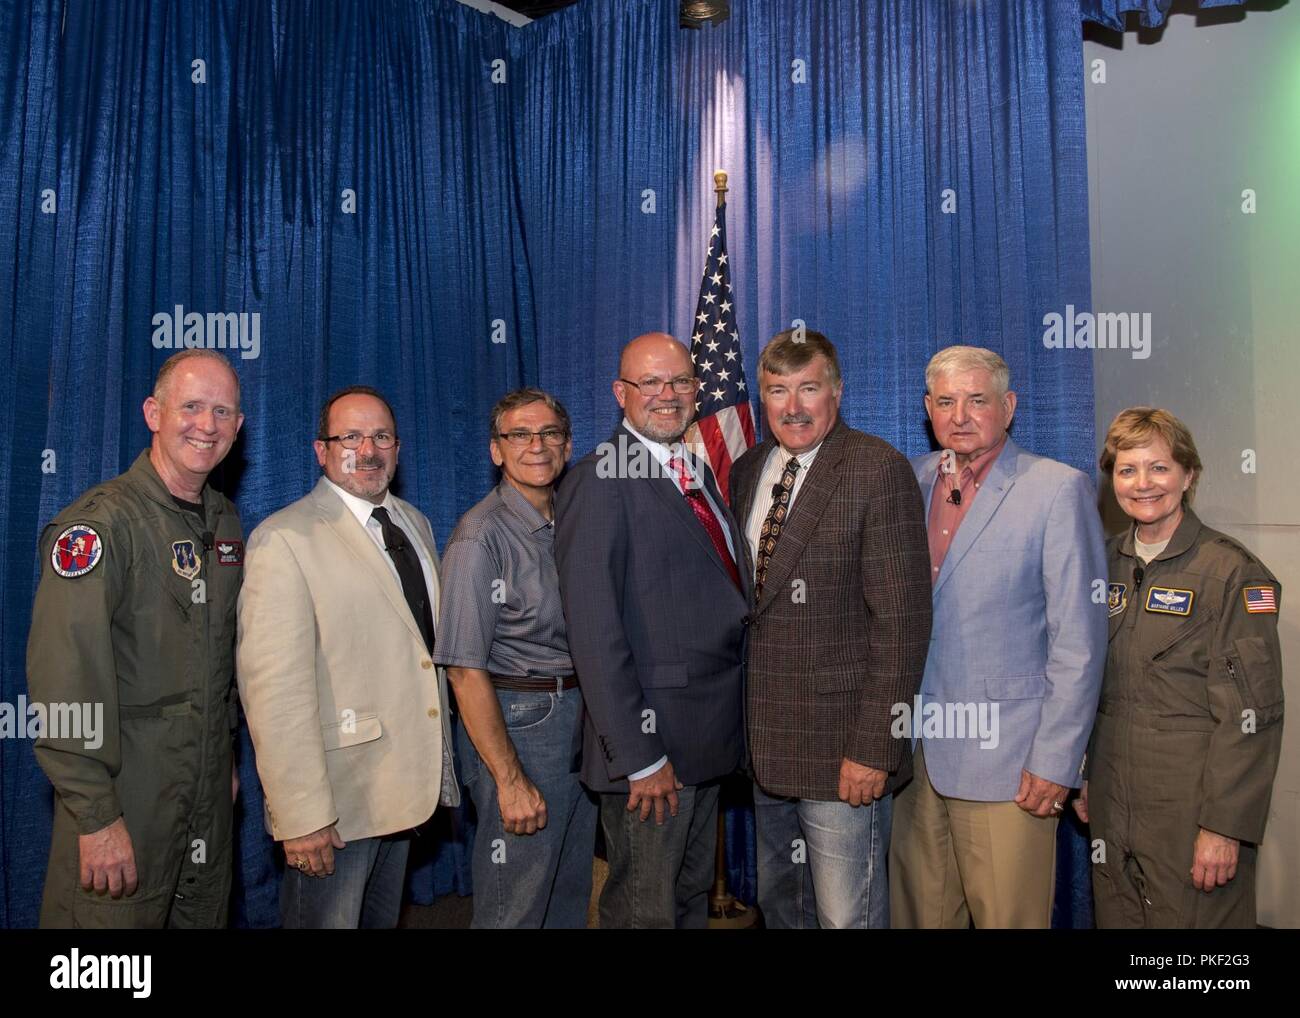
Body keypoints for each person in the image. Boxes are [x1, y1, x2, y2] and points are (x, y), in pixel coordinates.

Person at [890, 345, 1107, 929]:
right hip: (913, 760)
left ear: (1008, 407)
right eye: (945, 401)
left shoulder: (1057, 489)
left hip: (1010, 766)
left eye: (977, 400)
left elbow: (1079, 643)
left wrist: (1058, 760)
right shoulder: (903, 482)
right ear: (928, 410)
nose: (959, 415)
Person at [29, 349, 245, 928]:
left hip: (204, 800)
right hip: (127, 797)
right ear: (154, 412)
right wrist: (96, 817)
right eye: (192, 406)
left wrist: (221, 754)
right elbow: (64, 680)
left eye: (223, 412)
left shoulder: (224, 522)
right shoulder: (99, 526)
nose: (208, 425)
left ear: (239, 427)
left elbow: (220, 657)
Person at [729, 329, 931, 928]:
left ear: (836, 393)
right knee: (783, 908)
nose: (792, 407)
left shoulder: (877, 469)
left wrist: (875, 747)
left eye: (808, 388)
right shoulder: (746, 471)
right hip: (764, 745)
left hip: (845, 752)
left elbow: (903, 623)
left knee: (849, 918)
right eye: (776, 391)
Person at [236, 385, 457, 928]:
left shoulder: (415, 523)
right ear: (322, 450)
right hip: (336, 805)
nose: (368, 449)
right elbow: (274, 694)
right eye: (351, 436)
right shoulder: (283, 539)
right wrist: (301, 815)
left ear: (398, 449)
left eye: (381, 436)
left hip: (405, 791)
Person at [554, 332, 750, 929]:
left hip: (707, 739)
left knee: (688, 901)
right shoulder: (598, 479)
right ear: (621, 393)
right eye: (651, 383)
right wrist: (638, 758)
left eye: (681, 382)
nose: (668, 395)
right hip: (652, 750)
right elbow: (594, 632)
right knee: (644, 910)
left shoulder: (695, 469)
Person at [1075, 407, 1284, 927]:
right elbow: (1081, 682)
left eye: (1159, 468)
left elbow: (1251, 717)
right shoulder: (1100, 565)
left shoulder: (1233, 573)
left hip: (1191, 812)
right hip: (1111, 801)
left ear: (1189, 475)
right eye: (1127, 470)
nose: (1143, 484)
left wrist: (1225, 826)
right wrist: (1080, 773)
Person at [436, 388, 597, 928]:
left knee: (568, 891)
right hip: (519, 722)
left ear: (568, 444)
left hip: (576, 718)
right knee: (518, 902)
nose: (537, 445)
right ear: (496, 451)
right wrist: (509, 779)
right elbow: (462, 668)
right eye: (519, 435)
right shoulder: (480, 536)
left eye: (549, 433)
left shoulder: (569, 520)